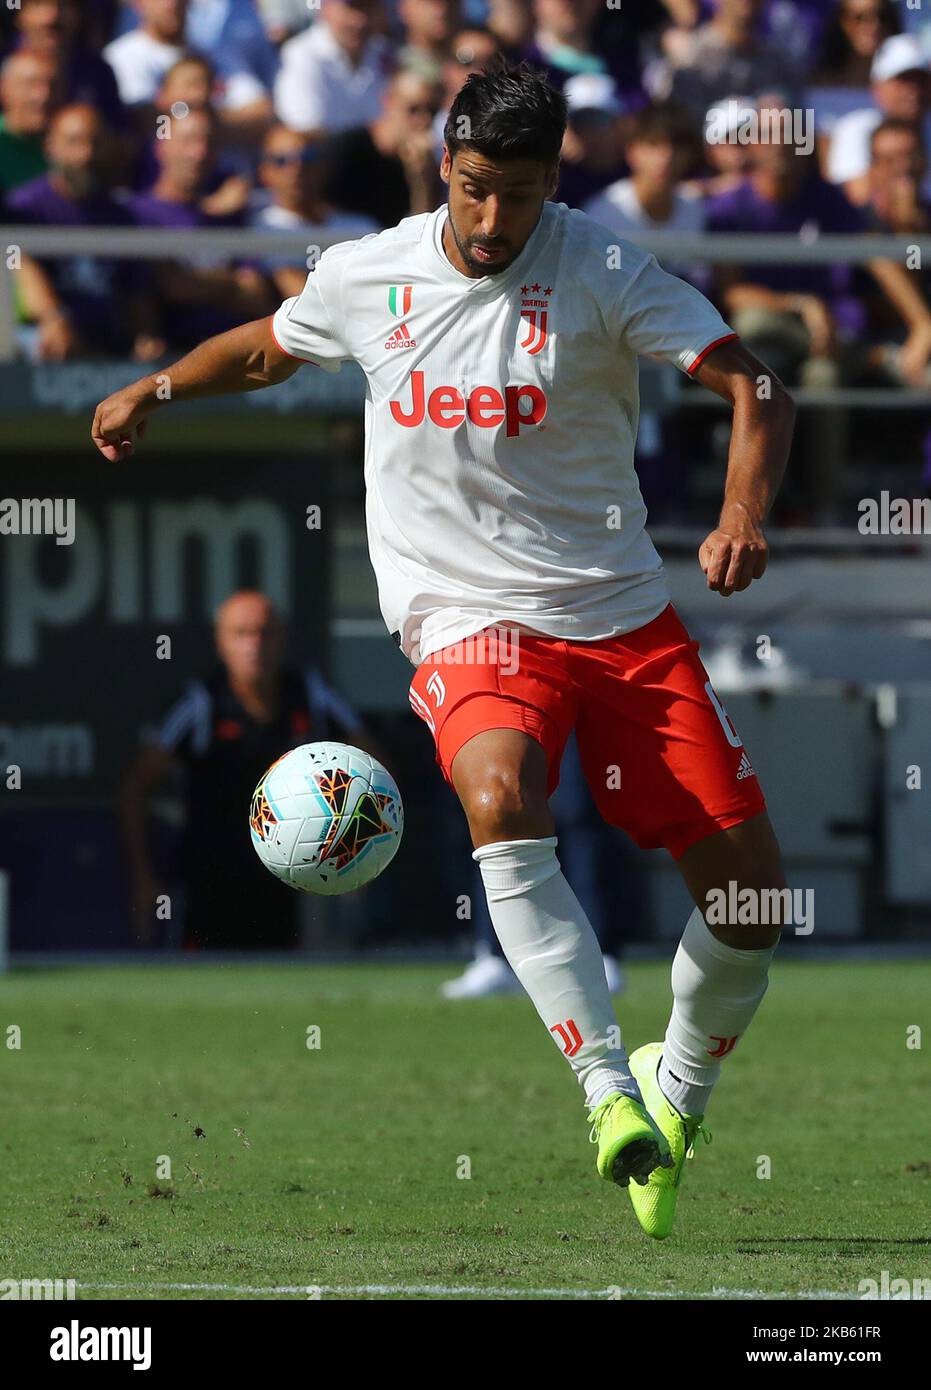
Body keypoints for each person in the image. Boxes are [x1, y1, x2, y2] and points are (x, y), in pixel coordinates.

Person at [93, 59, 796, 1242]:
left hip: (619, 615)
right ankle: (604, 1090)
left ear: (551, 183)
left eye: (516, 195)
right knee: (497, 788)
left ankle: (676, 1097)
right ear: (441, 169)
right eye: (471, 189)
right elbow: (271, 347)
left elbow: (753, 381)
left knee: (753, 903)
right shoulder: (370, 274)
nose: (489, 220)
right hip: (465, 613)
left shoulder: (605, 266)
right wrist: (160, 384)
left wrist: (739, 513)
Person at [121, 591, 375, 949]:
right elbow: (136, 787)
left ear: (281, 638)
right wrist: (144, 877)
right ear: (221, 642)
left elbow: (375, 772)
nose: (254, 645)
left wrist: (354, 855)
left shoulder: (311, 695)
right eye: (241, 634)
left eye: (264, 632)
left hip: (300, 885)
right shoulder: (202, 703)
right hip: (210, 888)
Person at [6, 103, 163, 361]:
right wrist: (54, 320)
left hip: (109, 343)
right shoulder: (23, 209)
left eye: (95, 143)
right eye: (73, 142)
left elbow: (138, 291)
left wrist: (146, 338)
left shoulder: (122, 217)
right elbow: (17, 266)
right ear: (50, 146)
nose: (85, 155)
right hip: (39, 338)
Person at [250, 124, 377, 300]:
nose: (295, 168)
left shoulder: (361, 226)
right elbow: (300, 298)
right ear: (264, 171)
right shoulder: (263, 228)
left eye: (307, 158)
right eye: (281, 160)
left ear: (323, 166)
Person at [323, 69, 444, 227]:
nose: (424, 120)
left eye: (432, 111)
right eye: (413, 109)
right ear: (389, 102)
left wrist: (422, 181)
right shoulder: (345, 150)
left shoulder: (428, 162)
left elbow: (425, 233)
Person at [826, 33, 931, 205]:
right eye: (903, 80)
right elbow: (853, 198)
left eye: (920, 80)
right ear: (877, 87)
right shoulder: (854, 129)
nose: (914, 91)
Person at [273, 0, 395, 135]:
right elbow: (304, 130)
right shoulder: (300, 54)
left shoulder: (384, 51)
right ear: (325, 9)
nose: (359, 20)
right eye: (351, 8)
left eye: (367, 8)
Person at [0, 50, 58, 202]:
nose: (43, 96)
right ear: (4, 88)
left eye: (52, 85)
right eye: (30, 84)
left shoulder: (76, 147)